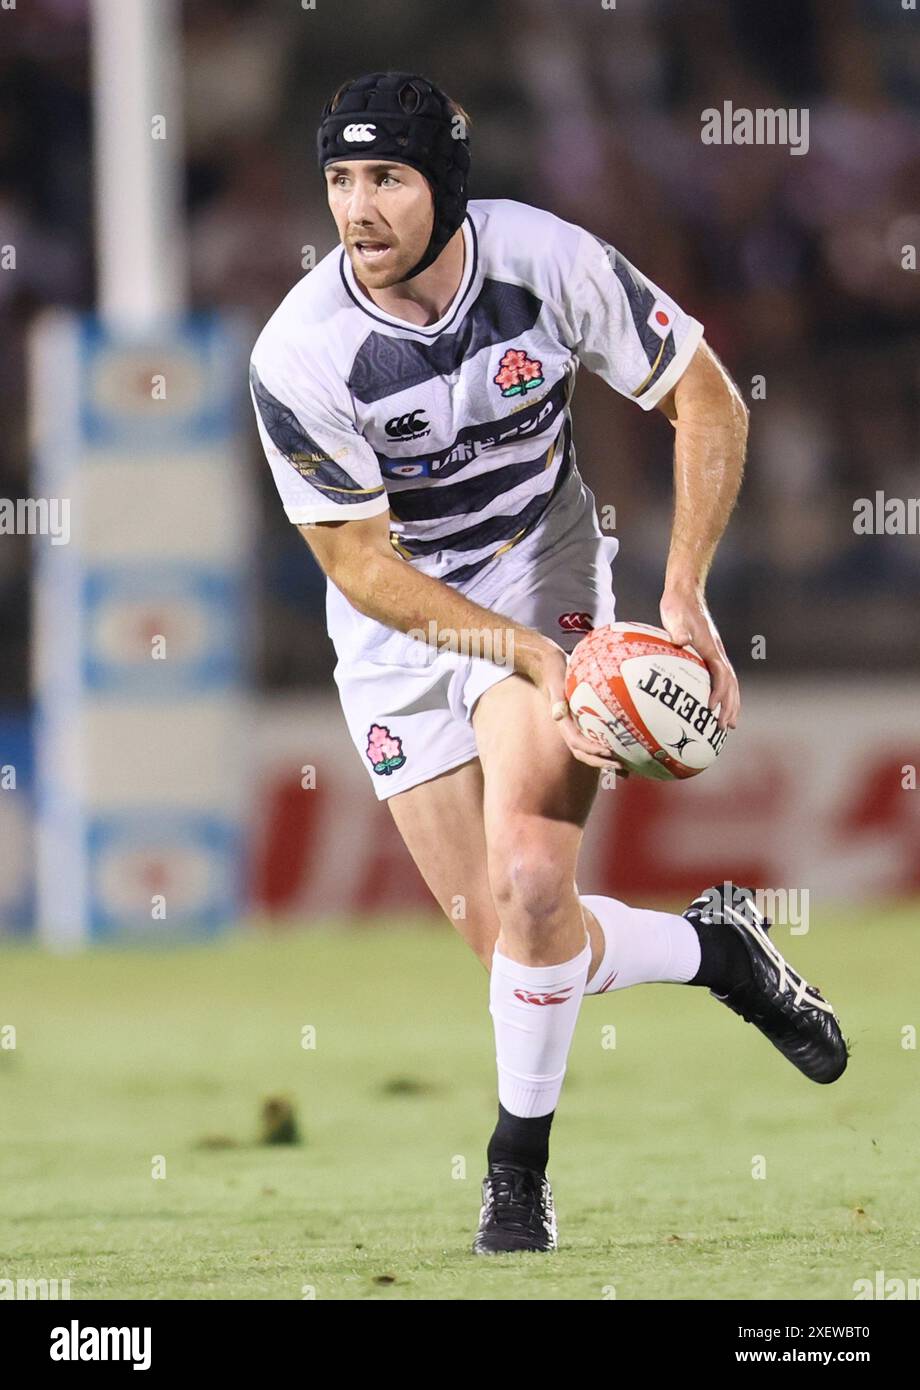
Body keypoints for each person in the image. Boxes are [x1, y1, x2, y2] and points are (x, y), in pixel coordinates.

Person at [250, 72, 848, 1255]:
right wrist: (516, 654)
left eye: (386, 177)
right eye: (340, 179)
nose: (357, 208)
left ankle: (513, 1178)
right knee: (517, 948)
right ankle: (718, 950)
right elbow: (360, 567)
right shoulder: (299, 352)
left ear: (444, 183)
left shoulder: (541, 258)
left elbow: (707, 398)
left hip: (541, 565)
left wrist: (680, 592)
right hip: (394, 626)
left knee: (531, 881)